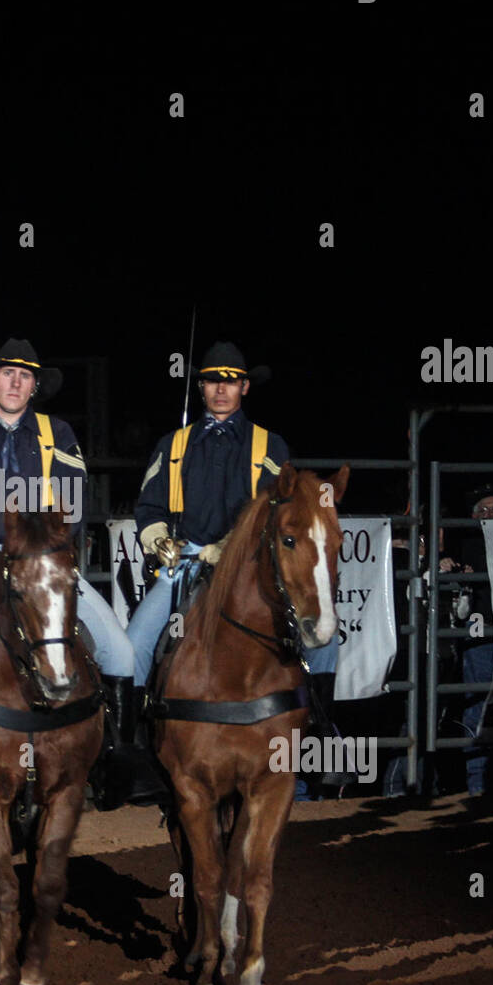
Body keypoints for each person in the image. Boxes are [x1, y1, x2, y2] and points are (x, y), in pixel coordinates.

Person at [0, 338, 146, 802]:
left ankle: (118, 757)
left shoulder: (56, 432)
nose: (15, 382)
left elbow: (76, 501)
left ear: (34, 386)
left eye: (24, 375)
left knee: (121, 653)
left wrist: (37, 535)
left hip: (42, 566)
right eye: (7, 373)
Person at [130, 341, 348, 798]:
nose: (221, 390)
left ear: (245, 387)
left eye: (230, 381)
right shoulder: (173, 444)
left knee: (322, 635)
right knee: (135, 641)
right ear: (202, 387)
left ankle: (324, 731)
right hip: (185, 560)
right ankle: (132, 751)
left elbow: (279, 512)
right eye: (212, 381)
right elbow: (148, 507)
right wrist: (159, 541)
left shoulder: (273, 444)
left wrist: (228, 549)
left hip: (247, 563)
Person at [453, 482, 493, 795]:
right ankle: (478, 782)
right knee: (479, 704)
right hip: (482, 637)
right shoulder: (464, 542)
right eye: (484, 509)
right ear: (473, 515)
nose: (492, 514)